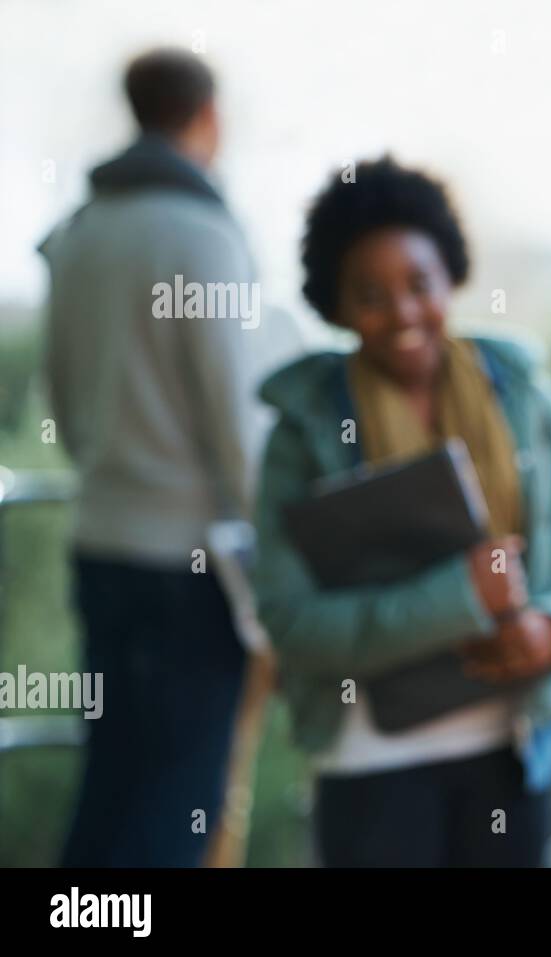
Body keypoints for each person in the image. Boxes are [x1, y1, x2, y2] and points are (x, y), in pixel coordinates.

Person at [251, 157, 551, 867]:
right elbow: (290, 623)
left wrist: (549, 623)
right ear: (336, 306)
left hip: (511, 744)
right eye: (370, 294)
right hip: (368, 758)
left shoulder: (525, 395)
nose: (403, 312)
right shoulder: (303, 430)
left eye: (419, 284)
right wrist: (462, 596)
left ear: (451, 277)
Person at [39, 48, 286, 866]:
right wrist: (277, 560)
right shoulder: (205, 233)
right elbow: (234, 421)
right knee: (180, 799)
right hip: (188, 567)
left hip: (99, 542)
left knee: (109, 788)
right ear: (206, 117)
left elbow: (65, 403)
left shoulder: (78, 232)